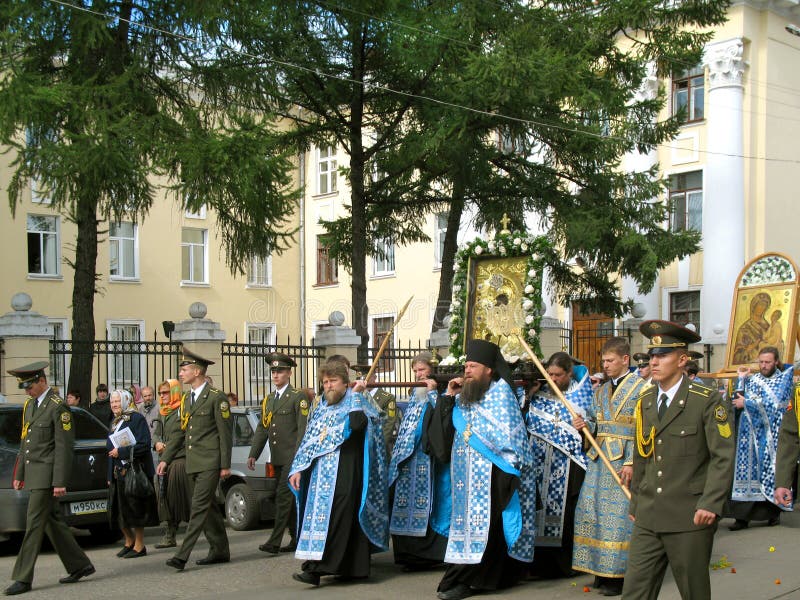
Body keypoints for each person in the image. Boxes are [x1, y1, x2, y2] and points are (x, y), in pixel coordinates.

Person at [623, 320, 735, 600]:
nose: (654, 362)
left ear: (682, 359)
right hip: (649, 514)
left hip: (689, 515)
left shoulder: (706, 400)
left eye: (663, 356)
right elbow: (642, 455)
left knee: (693, 592)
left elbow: (722, 456)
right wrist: (636, 499)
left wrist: (711, 502)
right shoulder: (646, 399)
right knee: (635, 592)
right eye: (652, 356)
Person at [427, 340, 535, 600]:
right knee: (477, 530)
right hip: (465, 479)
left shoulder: (501, 396)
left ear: (489, 370)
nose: (467, 371)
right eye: (466, 366)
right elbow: (440, 438)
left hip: (493, 475)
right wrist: (448, 398)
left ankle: (460, 581)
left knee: (487, 530)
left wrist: (506, 471)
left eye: (473, 366)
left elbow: (510, 439)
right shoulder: (465, 397)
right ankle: (486, 580)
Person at [289, 360, 388, 586]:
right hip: (319, 474)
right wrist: (298, 468)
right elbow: (308, 440)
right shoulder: (320, 407)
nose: (328, 386)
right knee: (324, 519)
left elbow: (357, 425)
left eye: (333, 381)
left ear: (345, 383)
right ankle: (349, 569)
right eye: (325, 382)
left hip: (348, 470)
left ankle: (316, 569)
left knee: (340, 519)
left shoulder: (358, 401)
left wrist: (356, 396)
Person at [4, 362, 95, 595]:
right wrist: (20, 474)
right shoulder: (31, 405)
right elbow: (27, 442)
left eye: (30, 385)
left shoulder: (58, 407)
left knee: (33, 524)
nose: (27, 390)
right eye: (24, 387)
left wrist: (59, 481)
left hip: (47, 476)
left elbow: (64, 448)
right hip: (33, 473)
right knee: (52, 522)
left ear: (42, 381)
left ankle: (23, 578)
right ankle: (80, 564)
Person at [572, 337, 649, 596]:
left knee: (618, 519)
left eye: (610, 361)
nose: (605, 365)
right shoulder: (601, 390)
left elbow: (645, 429)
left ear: (625, 360)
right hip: (599, 460)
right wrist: (585, 427)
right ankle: (598, 570)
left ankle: (618, 576)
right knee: (592, 513)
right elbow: (595, 422)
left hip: (623, 460)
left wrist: (632, 462)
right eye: (603, 361)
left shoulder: (642, 388)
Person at [157, 349, 232, 571]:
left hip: (210, 462)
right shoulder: (187, 400)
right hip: (193, 461)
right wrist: (166, 459)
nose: (181, 373)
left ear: (197, 371)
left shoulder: (216, 397)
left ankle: (181, 556)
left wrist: (225, 465)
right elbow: (180, 433)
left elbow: (225, 433)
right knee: (207, 508)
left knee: (198, 508)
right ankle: (220, 550)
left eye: (185, 369)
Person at [525, 353, 589, 579]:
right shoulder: (539, 395)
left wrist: (583, 427)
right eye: (549, 374)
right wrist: (528, 397)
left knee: (567, 515)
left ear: (569, 373)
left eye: (557, 375)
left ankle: (566, 565)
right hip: (541, 463)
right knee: (540, 511)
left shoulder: (580, 395)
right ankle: (539, 565)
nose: (552, 379)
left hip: (568, 465)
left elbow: (593, 427)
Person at [389, 352, 450, 572]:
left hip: (428, 460)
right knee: (403, 503)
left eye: (422, 370)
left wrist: (434, 394)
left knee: (430, 506)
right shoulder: (415, 395)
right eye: (415, 370)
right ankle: (408, 555)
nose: (418, 374)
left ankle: (428, 556)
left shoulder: (439, 392)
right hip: (407, 459)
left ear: (432, 370)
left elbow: (443, 417)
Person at [727, 346, 793, 530]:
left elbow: (775, 405)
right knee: (747, 473)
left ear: (776, 362)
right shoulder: (753, 379)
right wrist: (741, 378)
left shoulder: (782, 380)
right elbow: (737, 399)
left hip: (770, 436)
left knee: (770, 472)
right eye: (761, 362)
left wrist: (746, 403)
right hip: (748, 437)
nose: (763, 366)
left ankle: (772, 514)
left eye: (768, 362)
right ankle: (742, 518)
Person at [248, 352, 308, 554]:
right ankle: (297, 537)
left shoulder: (297, 397)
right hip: (278, 458)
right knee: (286, 499)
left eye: (280, 371)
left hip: (292, 457)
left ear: (289, 373)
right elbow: (263, 429)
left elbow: (302, 429)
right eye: (273, 371)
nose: (275, 375)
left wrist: (299, 458)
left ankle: (274, 542)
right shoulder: (269, 400)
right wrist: (253, 454)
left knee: (283, 497)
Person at [107, 389, 157, 559]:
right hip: (118, 472)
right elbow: (110, 449)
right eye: (112, 402)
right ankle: (129, 541)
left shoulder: (137, 419)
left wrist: (121, 452)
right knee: (120, 510)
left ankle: (139, 545)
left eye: (116, 401)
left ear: (125, 401)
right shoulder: (115, 421)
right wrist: (109, 476)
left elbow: (144, 444)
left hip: (135, 471)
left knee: (136, 509)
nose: (114, 405)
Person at [152, 379, 191, 549]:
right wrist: (157, 443)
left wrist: (170, 448)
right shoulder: (163, 412)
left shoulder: (183, 408)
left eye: (166, 392)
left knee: (177, 493)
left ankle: (192, 530)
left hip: (180, 458)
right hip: (164, 460)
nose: (162, 396)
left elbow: (185, 434)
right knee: (161, 494)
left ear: (174, 392)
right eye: (160, 393)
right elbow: (156, 433)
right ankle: (169, 533)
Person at [352, 364, 400, 457]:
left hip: (378, 444)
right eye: (360, 379)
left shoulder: (387, 398)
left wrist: (380, 443)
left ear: (374, 377)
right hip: (360, 445)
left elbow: (390, 422)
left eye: (366, 378)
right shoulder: (356, 396)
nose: (363, 381)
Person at [732, 292, 771, 364]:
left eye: (765, 306)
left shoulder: (768, 326)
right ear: (754, 306)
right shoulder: (744, 328)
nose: (762, 308)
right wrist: (748, 349)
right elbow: (737, 355)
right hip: (751, 364)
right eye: (760, 305)